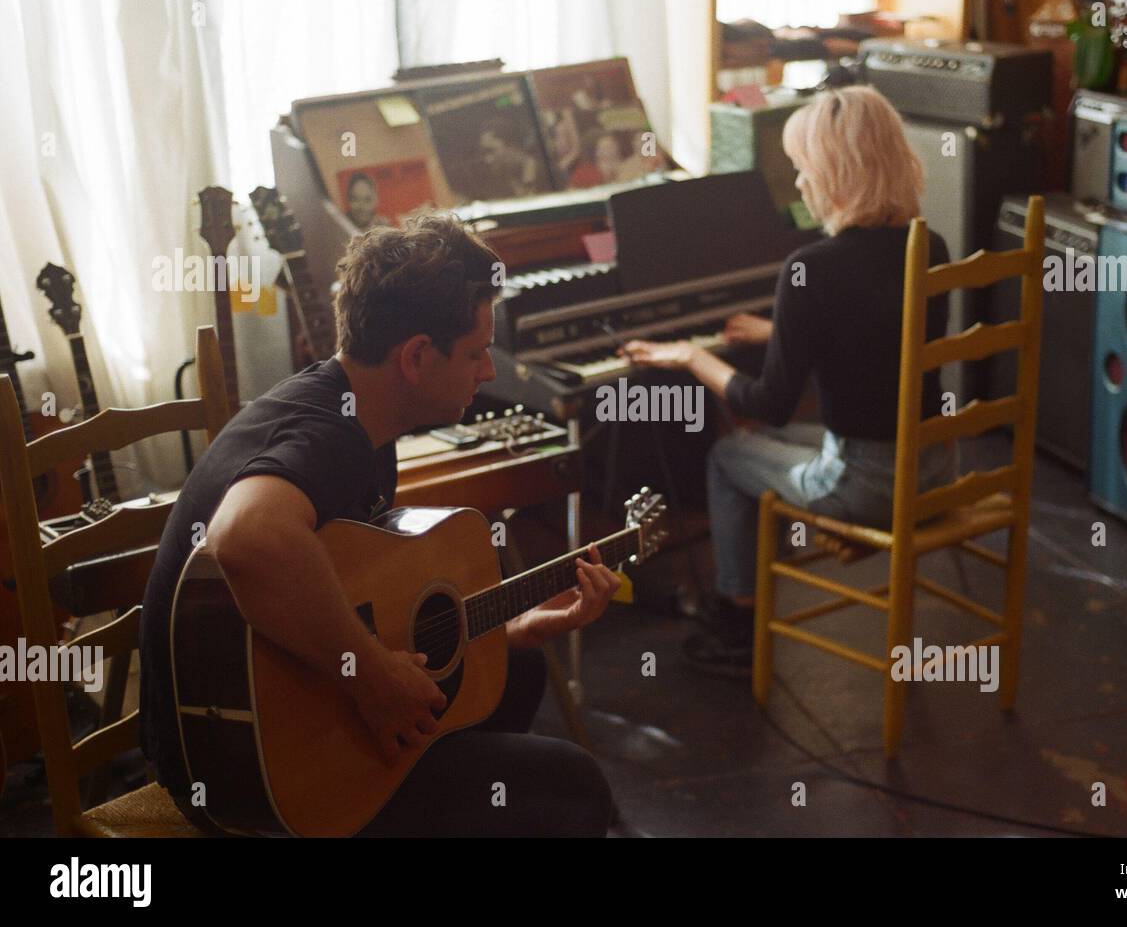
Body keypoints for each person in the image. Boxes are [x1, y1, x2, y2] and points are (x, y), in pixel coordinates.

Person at [139, 214, 619, 836]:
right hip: (238, 774)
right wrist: (369, 674)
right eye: (476, 353)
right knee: (574, 787)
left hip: (259, 741)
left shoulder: (354, 410)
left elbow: (364, 596)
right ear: (416, 356)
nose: (488, 372)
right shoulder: (330, 435)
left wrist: (519, 625)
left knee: (513, 670)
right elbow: (246, 534)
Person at [622, 85, 956, 679]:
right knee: (775, 444)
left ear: (837, 173)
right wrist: (781, 330)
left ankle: (738, 620)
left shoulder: (811, 268)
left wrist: (692, 358)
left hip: (867, 487)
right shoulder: (929, 244)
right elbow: (878, 334)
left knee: (730, 453)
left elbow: (768, 404)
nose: (799, 184)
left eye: (804, 168)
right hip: (932, 468)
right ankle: (749, 597)